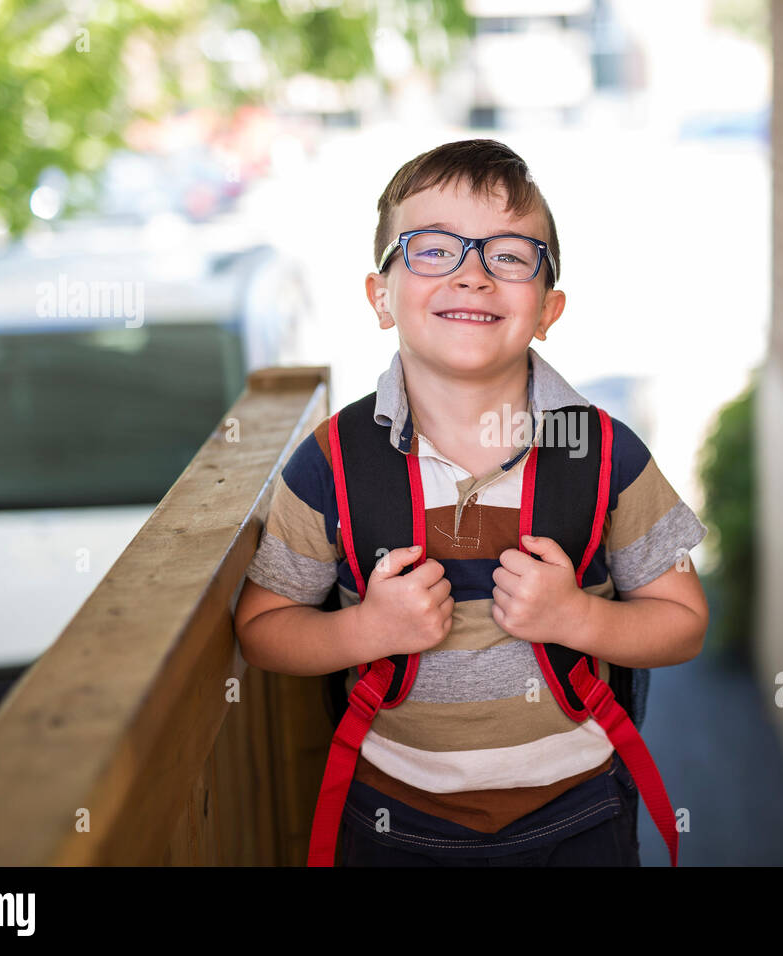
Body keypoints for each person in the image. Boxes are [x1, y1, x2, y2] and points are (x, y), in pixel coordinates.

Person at [234, 138, 709, 866]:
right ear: (380, 297)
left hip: (577, 814)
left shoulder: (606, 455)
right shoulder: (332, 464)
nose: (474, 275)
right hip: (394, 819)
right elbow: (264, 629)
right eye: (431, 250)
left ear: (547, 308)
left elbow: (682, 624)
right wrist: (364, 630)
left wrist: (575, 615)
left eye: (510, 256)